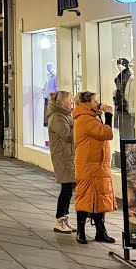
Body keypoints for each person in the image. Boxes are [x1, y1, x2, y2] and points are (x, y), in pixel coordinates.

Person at [72, 91, 116, 244]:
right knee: (85, 196)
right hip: (89, 165)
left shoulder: (91, 117)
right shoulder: (85, 119)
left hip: (97, 165)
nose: (98, 103)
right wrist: (109, 114)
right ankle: (81, 231)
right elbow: (107, 133)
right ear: (86, 103)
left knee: (99, 197)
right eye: (95, 101)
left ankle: (100, 231)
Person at [46, 91, 76, 234]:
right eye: (70, 100)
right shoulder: (57, 117)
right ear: (63, 102)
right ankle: (59, 219)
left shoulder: (65, 115)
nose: (72, 103)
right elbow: (68, 136)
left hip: (68, 156)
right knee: (66, 189)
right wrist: (79, 124)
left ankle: (65, 218)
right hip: (63, 157)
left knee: (69, 189)